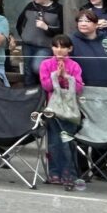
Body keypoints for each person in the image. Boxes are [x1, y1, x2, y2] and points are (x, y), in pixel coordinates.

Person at [38, 35, 85, 191]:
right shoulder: (45, 64)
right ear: (51, 48)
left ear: (69, 49)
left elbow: (78, 88)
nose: (59, 50)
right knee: (53, 142)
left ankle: (69, 173)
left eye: (63, 47)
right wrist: (55, 76)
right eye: (56, 46)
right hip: (53, 109)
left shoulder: (74, 65)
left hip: (70, 109)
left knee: (67, 142)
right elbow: (46, 86)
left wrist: (66, 77)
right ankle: (54, 172)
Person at [14, 0, 64, 86]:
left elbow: (62, 30)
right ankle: (29, 94)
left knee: (37, 68)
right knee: (28, 71)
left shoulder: (58, 9)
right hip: (27, 44)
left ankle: (43, 89)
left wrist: (47, 28)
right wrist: (24, 36)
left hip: (45, 46)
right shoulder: (30, 6)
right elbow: (20, 22)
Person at [68, 9, 107, 88]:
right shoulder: (70, 41)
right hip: (80, 89)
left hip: (106, 89)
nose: (83, 24)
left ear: (96, 24)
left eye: (88, 21)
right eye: (80, 21)